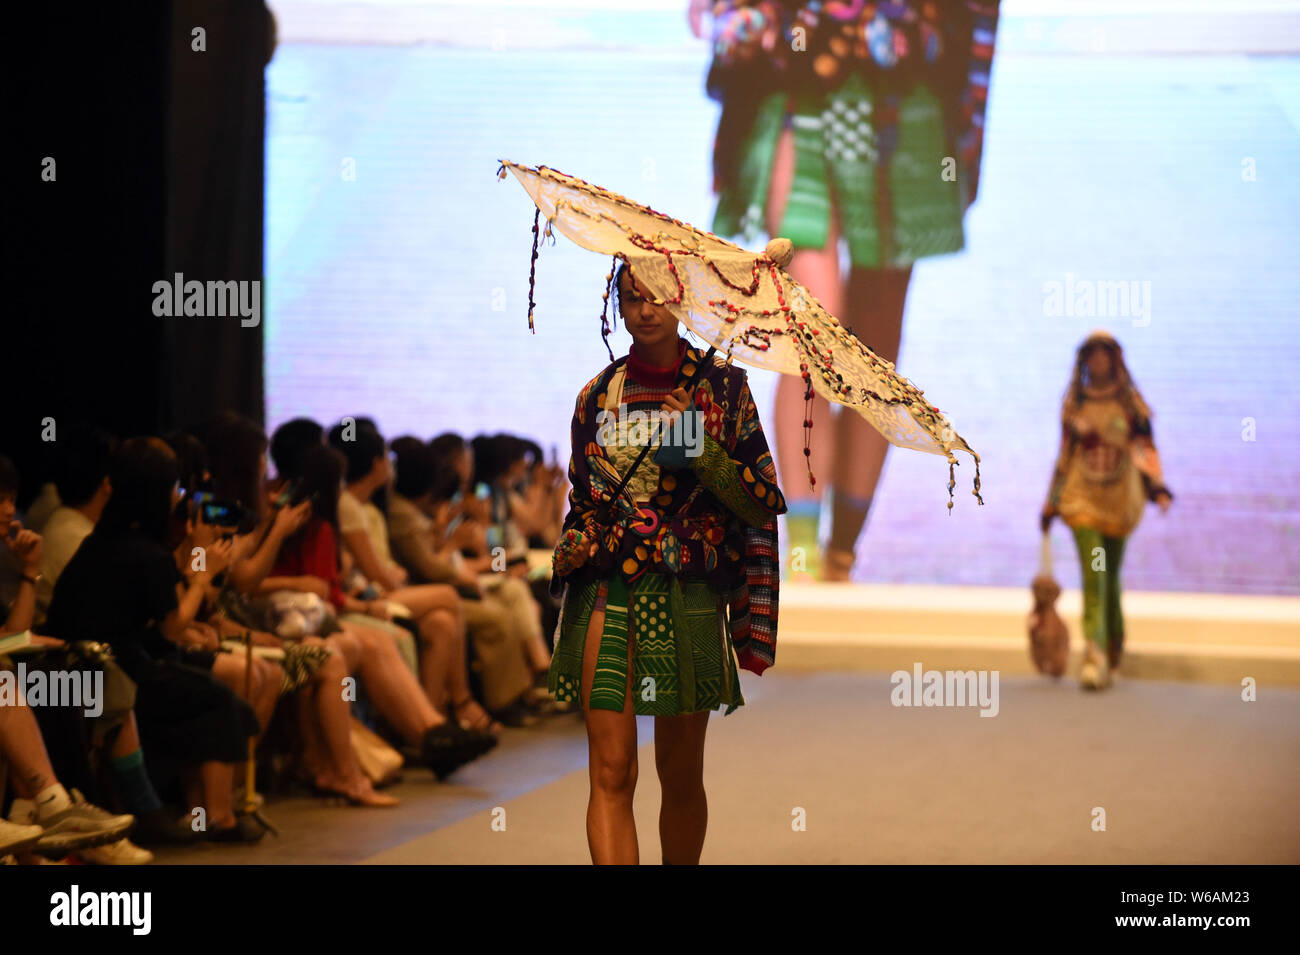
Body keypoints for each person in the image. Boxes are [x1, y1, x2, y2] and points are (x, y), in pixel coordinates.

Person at [697, 0, 999, 579]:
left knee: (873, 354)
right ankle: (806, 555)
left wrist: (967, 147)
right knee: (812, 328)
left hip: (908, 109)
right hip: (797, 95)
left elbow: (975, 28)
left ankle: (837, 558)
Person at [550, 262, 787, 864]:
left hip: (688, 593)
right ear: (618, 306)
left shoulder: (726, 391)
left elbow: (763, 499)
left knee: (679, 776)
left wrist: (700, 452)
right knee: (609, 771)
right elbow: (580, 498)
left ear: (681, 302)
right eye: (631, 299)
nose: (645, 311)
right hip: (605, 588)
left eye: (657, 297)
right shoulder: (595, 395)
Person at [43, 438, 266, 842]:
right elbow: (173, 627)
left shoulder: (100, 542)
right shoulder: (147, 553)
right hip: (111, 668)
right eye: (175, 489)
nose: (179, 498)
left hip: (92, 662)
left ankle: (199, 814)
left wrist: (196, 559)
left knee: (213, 692)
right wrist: (203, 572)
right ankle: (215, 817)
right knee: (219, 700)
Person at [1041, 331, 1173, 690]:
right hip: (1082, 501)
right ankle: (1094, 654)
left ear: (1114, 360)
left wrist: (1157, 486)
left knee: (1109, 576)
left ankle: (1113, 648)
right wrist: (1052, 500)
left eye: (1103, 355)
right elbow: (1065, 456)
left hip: (1119, 501)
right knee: (1095, 572)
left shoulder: (1132, 406)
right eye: (1091, 356)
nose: (1097, 362)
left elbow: (1145, 448)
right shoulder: (1075, 405)